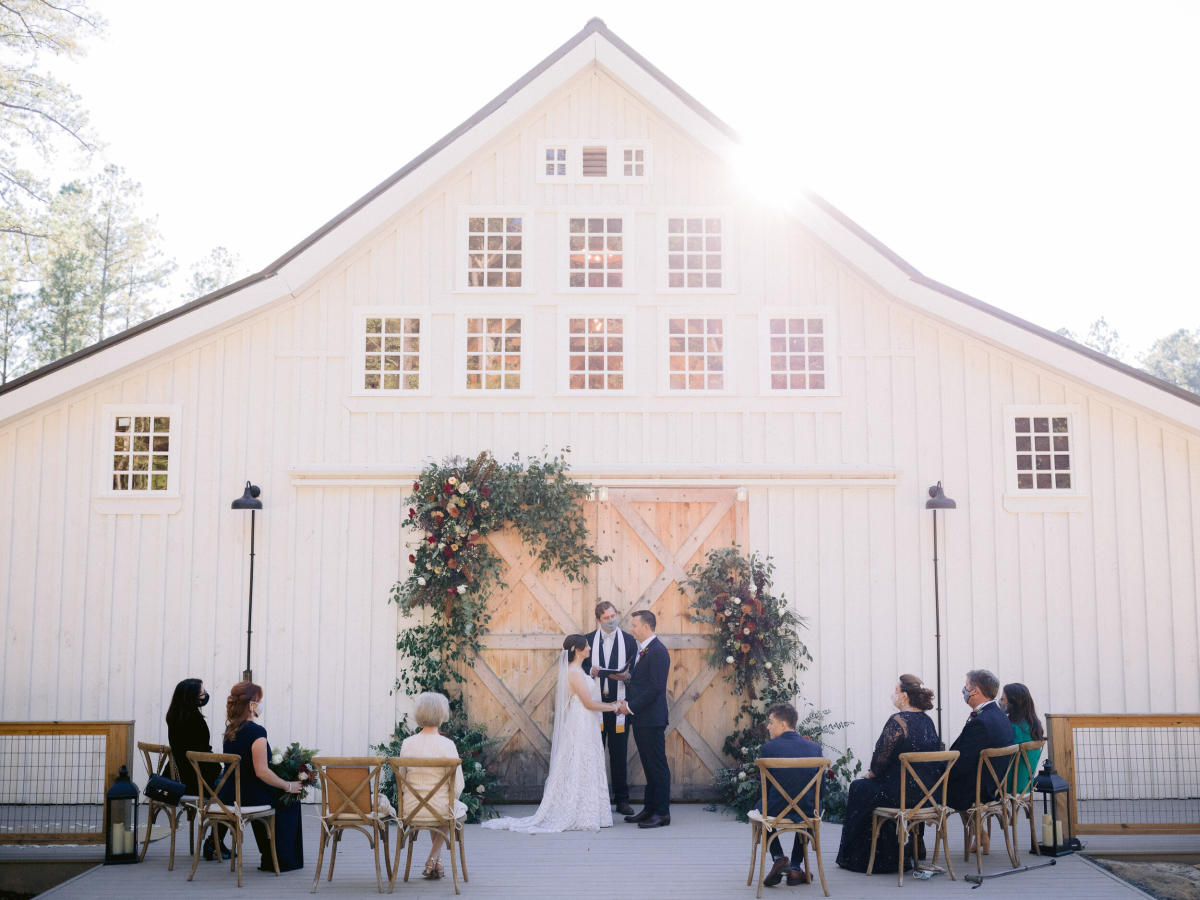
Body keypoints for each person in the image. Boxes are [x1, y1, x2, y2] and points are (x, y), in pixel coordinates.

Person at [483, 635, 620, 833]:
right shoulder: (574, 672)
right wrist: (613, 706)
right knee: (580, 761)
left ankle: (592, 811)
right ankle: (581, 813)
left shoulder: (578, 670)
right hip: (581, 721)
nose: (590, 647)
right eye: (587, 645)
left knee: (587, 761)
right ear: (577, 649)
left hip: (586, 720)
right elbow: (588, 703)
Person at [836, 674, 941, 874]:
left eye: (896, 690)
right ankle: (901, 848)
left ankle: (870, 858)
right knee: (871, 788)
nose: (892, 694)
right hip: (927, 794)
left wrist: (872, 773)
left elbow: (880, 759)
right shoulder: (928, 721)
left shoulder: (898, 721)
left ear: (904, 696)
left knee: (859, 788)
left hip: (901, 794)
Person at [221, 681, 304, 871]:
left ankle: (269, 855)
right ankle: (280, 859)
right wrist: (288, 785)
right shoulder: (257, 732)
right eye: (259, 701)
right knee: (289, 800)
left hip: (230, 794)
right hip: (250, 796)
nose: (261, 704)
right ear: (251, 705)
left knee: (275, 792)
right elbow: (262, 771)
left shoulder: (230, 730)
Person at [395, 692, 467, 879]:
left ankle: (436, 862)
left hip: (410, 809)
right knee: (448, 808)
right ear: (442, 714)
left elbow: (402, 782)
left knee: (434, 806)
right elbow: (458, 786)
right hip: (440, 809)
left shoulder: (407, 744)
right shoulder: (448, 745)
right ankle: (432, 859)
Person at [580, 600, 639, 816]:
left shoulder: (629, 641)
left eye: (613, 616)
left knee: (619, 754)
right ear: (598, 620)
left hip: (619, 707)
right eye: (606, 618)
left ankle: (622, 800)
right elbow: (578, 668)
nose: (611, 620)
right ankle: (593, 799)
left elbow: (637, 671)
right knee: (593, 753)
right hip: (594, 706)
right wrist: (591, 671)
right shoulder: (587, 641)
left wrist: (628, 677)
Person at [947, 668, 1013, 853]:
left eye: (966, 686)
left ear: (975, 690)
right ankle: (980, 833)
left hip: (981, 789)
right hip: (997, 784)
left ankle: (915, 844)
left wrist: (937, 771)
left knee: (929, 784)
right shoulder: (999, 715)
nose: (964, 690)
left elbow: (961, 759)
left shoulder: (981, 721)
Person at [758, 702, 823, 887]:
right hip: (808, 810)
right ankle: (795, 867)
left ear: (783, 724)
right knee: (810, 806)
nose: (768, 726)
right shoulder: (814, 749)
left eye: (771, 722)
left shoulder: (769, 749)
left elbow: (764, 789)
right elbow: (821, 788)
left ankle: (778, 857)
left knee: (760, 807)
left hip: (776, 809)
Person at [166, 677, 230, 860]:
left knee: (229, 786)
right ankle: (214, 843)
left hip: (184, 776)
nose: (205, 695)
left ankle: (215, 842)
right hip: (197, 781)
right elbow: (202, 756)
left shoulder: (174, 716)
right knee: (232, 790)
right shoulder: (194, 720)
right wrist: (222, 770)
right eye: (202, 693)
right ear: (191, 697)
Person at [619, 609, 672, 829]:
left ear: (646, 627)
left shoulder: (658, 652)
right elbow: (643, 683)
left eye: (634, 625)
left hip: (651, 719)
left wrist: (629, 707)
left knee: (657, 767)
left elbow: (655, 688)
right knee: (649, 767)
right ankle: (649, 809)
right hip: (642, 719)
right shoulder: (644, 650)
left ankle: (662, 813)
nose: (631, 629)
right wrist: (628, 679)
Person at [1000, 682, 1044, 793]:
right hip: (1026, 784)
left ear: (1013, 702)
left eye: (1003, 699)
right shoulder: (1033, 724)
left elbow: (1002, 755)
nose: (1000, 702)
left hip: (1008, 786)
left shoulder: (1014, 728)